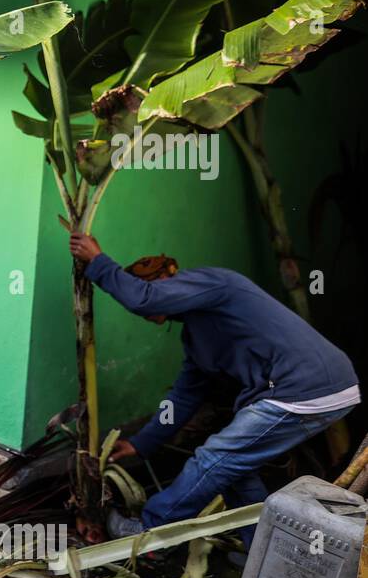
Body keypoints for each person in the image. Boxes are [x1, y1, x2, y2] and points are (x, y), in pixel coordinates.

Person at [70, 233, 360, 544]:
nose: (146, 310)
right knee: (233, 471)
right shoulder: (196, 337)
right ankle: (260, 552)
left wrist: (98, 262)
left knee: (214, 457)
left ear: (172, 282)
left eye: (155, 289)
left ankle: (149, 534)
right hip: (310, 389)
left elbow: (144, 298)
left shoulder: (214, 282)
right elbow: (184, 396)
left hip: (306, 388)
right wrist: (141, 444)